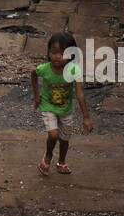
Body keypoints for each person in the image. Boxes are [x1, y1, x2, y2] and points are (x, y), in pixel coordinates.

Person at [31, 31, 93, 175]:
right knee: (53, 135)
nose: (57, 56)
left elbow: (79, 94)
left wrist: (86, 117)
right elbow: (33, 74)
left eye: (62, 53)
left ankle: (62, 162)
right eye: (54, 52)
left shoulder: (73, 70)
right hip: (48, 106)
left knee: (65, 139)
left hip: (66, 109)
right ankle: (47, 157)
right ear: (49, 52)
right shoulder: (44, 69)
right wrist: (36, 95)